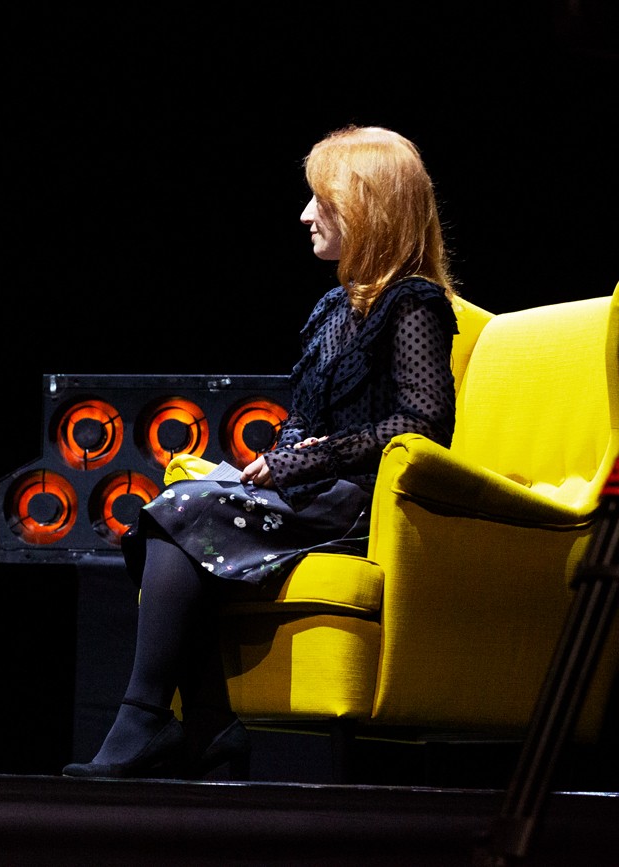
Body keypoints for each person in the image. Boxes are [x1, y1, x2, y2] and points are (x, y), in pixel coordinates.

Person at [63, 126, 459, 780]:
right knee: (170, 509)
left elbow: (424, 423)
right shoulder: (334, 307)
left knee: (184, 508)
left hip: (353, 512)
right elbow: (301, 419)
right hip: (306, 498)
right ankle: (209, 728)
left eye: (323, 202)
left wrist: (306, 461)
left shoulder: (411, 302)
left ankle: (156, 720)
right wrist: (274, 464)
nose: (306, 215)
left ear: (370, 207)